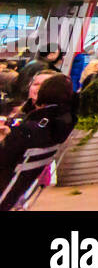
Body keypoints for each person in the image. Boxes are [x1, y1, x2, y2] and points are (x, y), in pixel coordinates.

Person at [0, 73, 77, 210]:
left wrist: (5, 139)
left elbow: (5, 158)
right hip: (13, 192)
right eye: (35, 84)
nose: (37, 89)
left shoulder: (31, 128)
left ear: (47, 91)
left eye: (42, 86)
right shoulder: (56, 125)